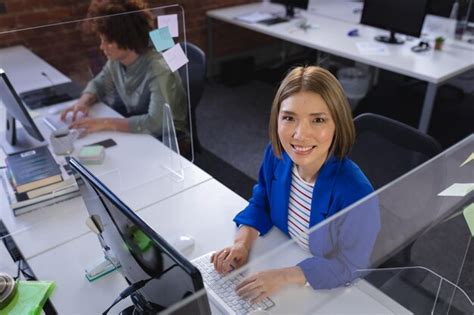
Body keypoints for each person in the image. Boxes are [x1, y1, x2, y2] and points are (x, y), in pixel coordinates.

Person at [211, 66, 376, 303]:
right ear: (276, 120)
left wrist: (285, 276)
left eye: (318, 120)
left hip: (328, 293)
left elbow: (352, 266)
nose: (300, 134)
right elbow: (262, 200)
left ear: (338, 125)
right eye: (289, 118)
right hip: (283, 254)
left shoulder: (356, 193)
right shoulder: (277, 156)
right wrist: (242, 243)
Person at [61, 0, 189, 152]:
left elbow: (156, 123)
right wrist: (83, 102)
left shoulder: (158, 67)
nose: (102, 47)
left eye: (107, 41)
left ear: (126, 39)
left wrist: (105, 123)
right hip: (139, 126)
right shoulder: (117, 60)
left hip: (167, 138)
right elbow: (99, 83)